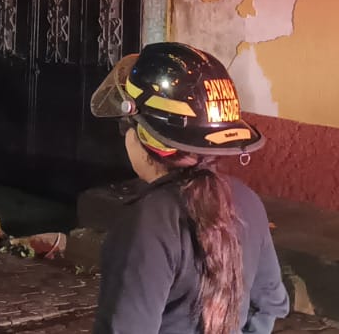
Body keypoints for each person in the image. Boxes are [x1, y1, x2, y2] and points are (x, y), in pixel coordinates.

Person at [89, 43, 290, 334]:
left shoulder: (148, 223)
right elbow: (270, 302)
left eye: (125, 124)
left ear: (142, 134)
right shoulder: (247, 201)